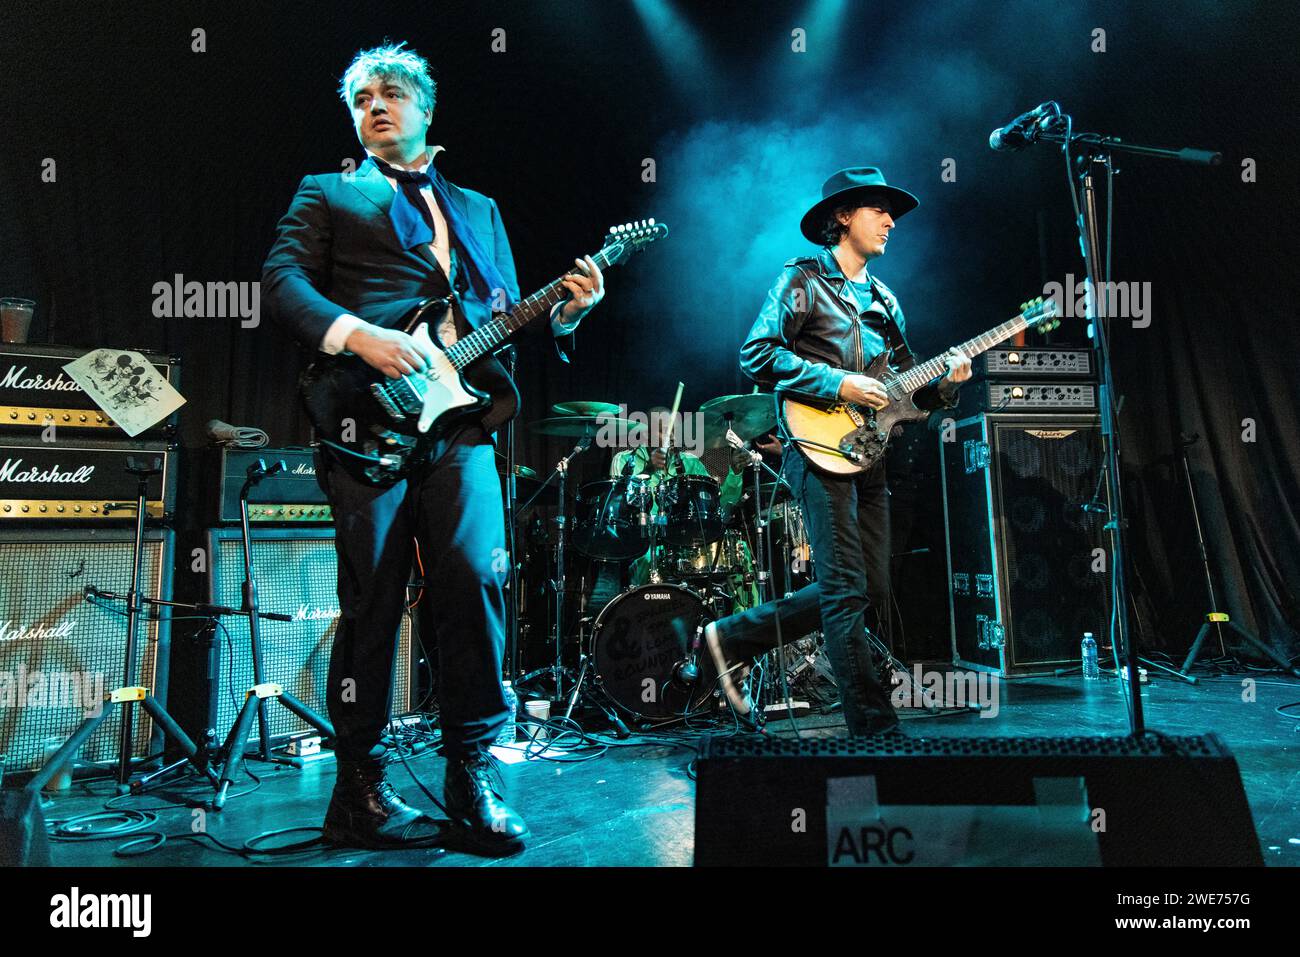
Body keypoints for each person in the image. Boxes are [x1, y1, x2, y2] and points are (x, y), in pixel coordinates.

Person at [262, 42, 604, 853]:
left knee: (476, 580)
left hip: (461, 424)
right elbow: (281, 281)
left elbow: (499, 317)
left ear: (426, 109)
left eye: (389, 94)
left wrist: (563, 317)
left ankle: (471, 773)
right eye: (361, 99)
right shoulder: (328, 191)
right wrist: (361, 337)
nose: (374, 106)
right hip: (364, 423)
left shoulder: (480, 209)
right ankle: (360, 787)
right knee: (371, 599)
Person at [705, 167, 971, 734]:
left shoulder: (885, 301)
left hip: (869, 451)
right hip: (815, 446)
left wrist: (947, 385)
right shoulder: (802, 280)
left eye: (892, 213)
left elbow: (905, 389)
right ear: (844, 217)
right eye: (879, 210)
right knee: (846, 589)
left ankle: (731, 636)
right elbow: (757, 354)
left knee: (868, 586)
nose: (891, 222)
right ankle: (874, 727)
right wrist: (838, 383)